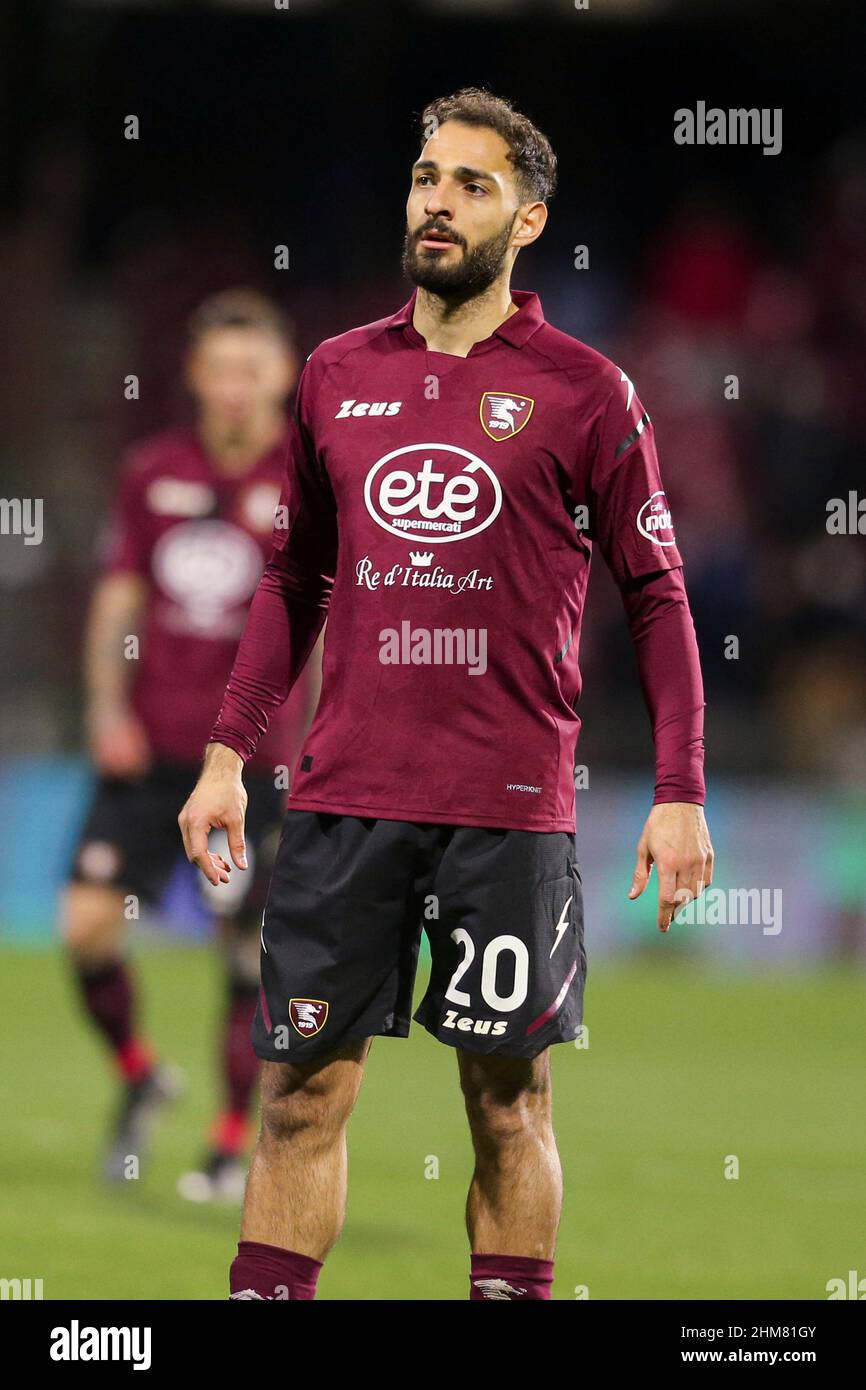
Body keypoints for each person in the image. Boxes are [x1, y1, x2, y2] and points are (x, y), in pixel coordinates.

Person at [180, 89, 714, 1300]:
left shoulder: (586, 391)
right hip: (341, 800)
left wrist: (678, 788)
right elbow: (291, 578)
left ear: (527, 217)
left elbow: (659, 598)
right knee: (299, 1094)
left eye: (471, 184)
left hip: (506, 809)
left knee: (506, 1102)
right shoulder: (333, 373)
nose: (436, 201)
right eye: (426, 177)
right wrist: (227, 752)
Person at [62, 288, 321, 1199]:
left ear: (285, 376)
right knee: (87, 927)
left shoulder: (310, 474)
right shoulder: (151, 472)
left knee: (246, 954)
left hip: (253, 762)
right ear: (195, 377)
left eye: (254, 370)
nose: (238, 389)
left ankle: (223, 1144)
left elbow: (328, 619)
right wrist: (105, 708)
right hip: (150, 749)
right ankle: (139, 1075)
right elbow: (118, 596)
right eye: (221, 370)